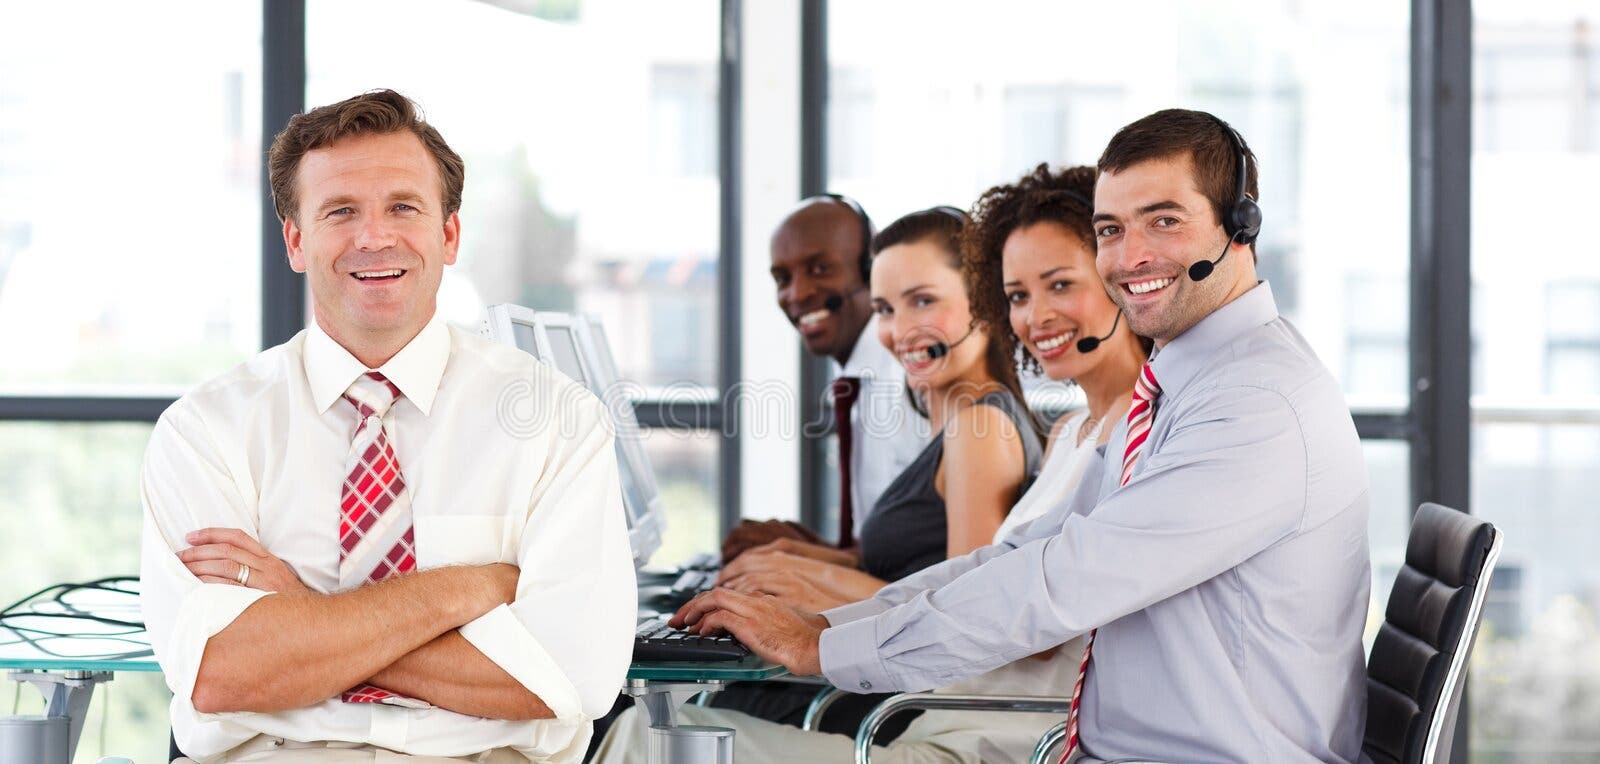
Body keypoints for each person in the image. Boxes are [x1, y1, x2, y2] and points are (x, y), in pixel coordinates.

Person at [671, 109, 1372, 764]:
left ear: (1240, 225)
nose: (1130, 257)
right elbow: (1023, 556)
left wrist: (827, 648)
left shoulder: (1253, 403)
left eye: (1163, 221)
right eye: (1110, 230)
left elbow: (1064, 583)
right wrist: (831, 629)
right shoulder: (1183, 388)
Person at [139, 89, 635, 763]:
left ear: (448, 234)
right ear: (296, 239)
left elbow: (571, 676)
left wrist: (306, 612)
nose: (374, 236)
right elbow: (224, 671)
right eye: (340, 212)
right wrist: (468, 588)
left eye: (404, 207)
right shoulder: (206, 432)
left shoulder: (558, 422)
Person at [593, 171, 1151, 763]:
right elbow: (970, 582)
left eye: (1060, 285)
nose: (1037, 317)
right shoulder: (1072, 432)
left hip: (984, 737)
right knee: (652, 729)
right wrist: (812, 615)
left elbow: (1017, 619)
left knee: (642, 737)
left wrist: (816, 629)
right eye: (1018, 295)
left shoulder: (1129, 439)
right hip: (935, 717)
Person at [722, 195, 927, 563]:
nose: (796, 294)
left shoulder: (910, 380)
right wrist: (807, 547)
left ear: (871, 270)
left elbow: (935, 569)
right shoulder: (856, 381)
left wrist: (798, 555)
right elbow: (892, 553)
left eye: (819, 269)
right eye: (782, 278)